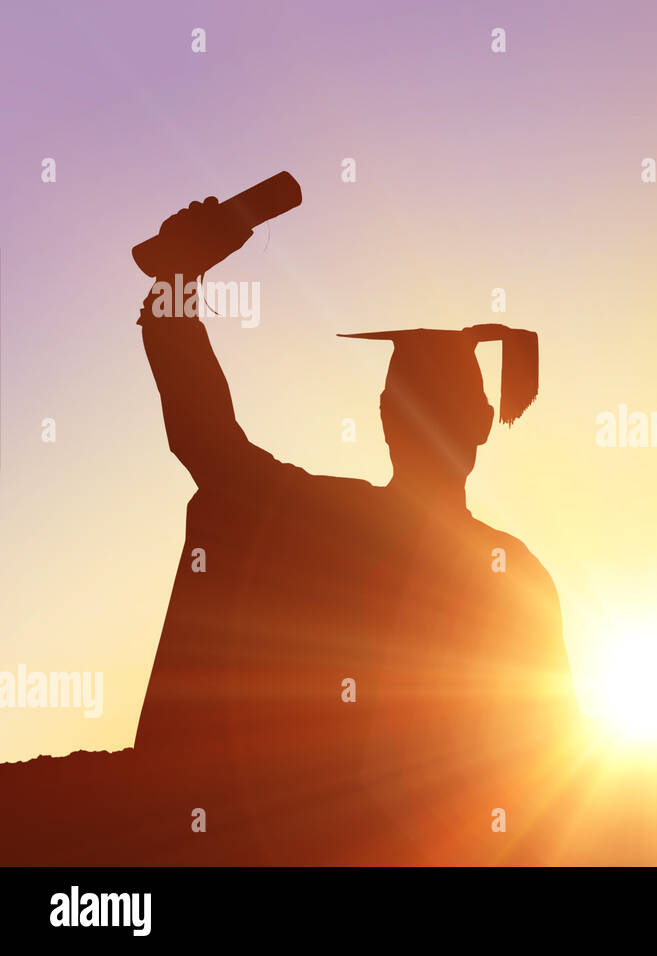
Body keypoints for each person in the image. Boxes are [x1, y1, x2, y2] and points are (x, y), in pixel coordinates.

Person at [132, 197, 577, 861]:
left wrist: (175, 285)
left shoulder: (325, 524)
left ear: (383, 415)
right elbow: (555, 780)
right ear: (483, 424)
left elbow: (209, 442)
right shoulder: (517, 574)